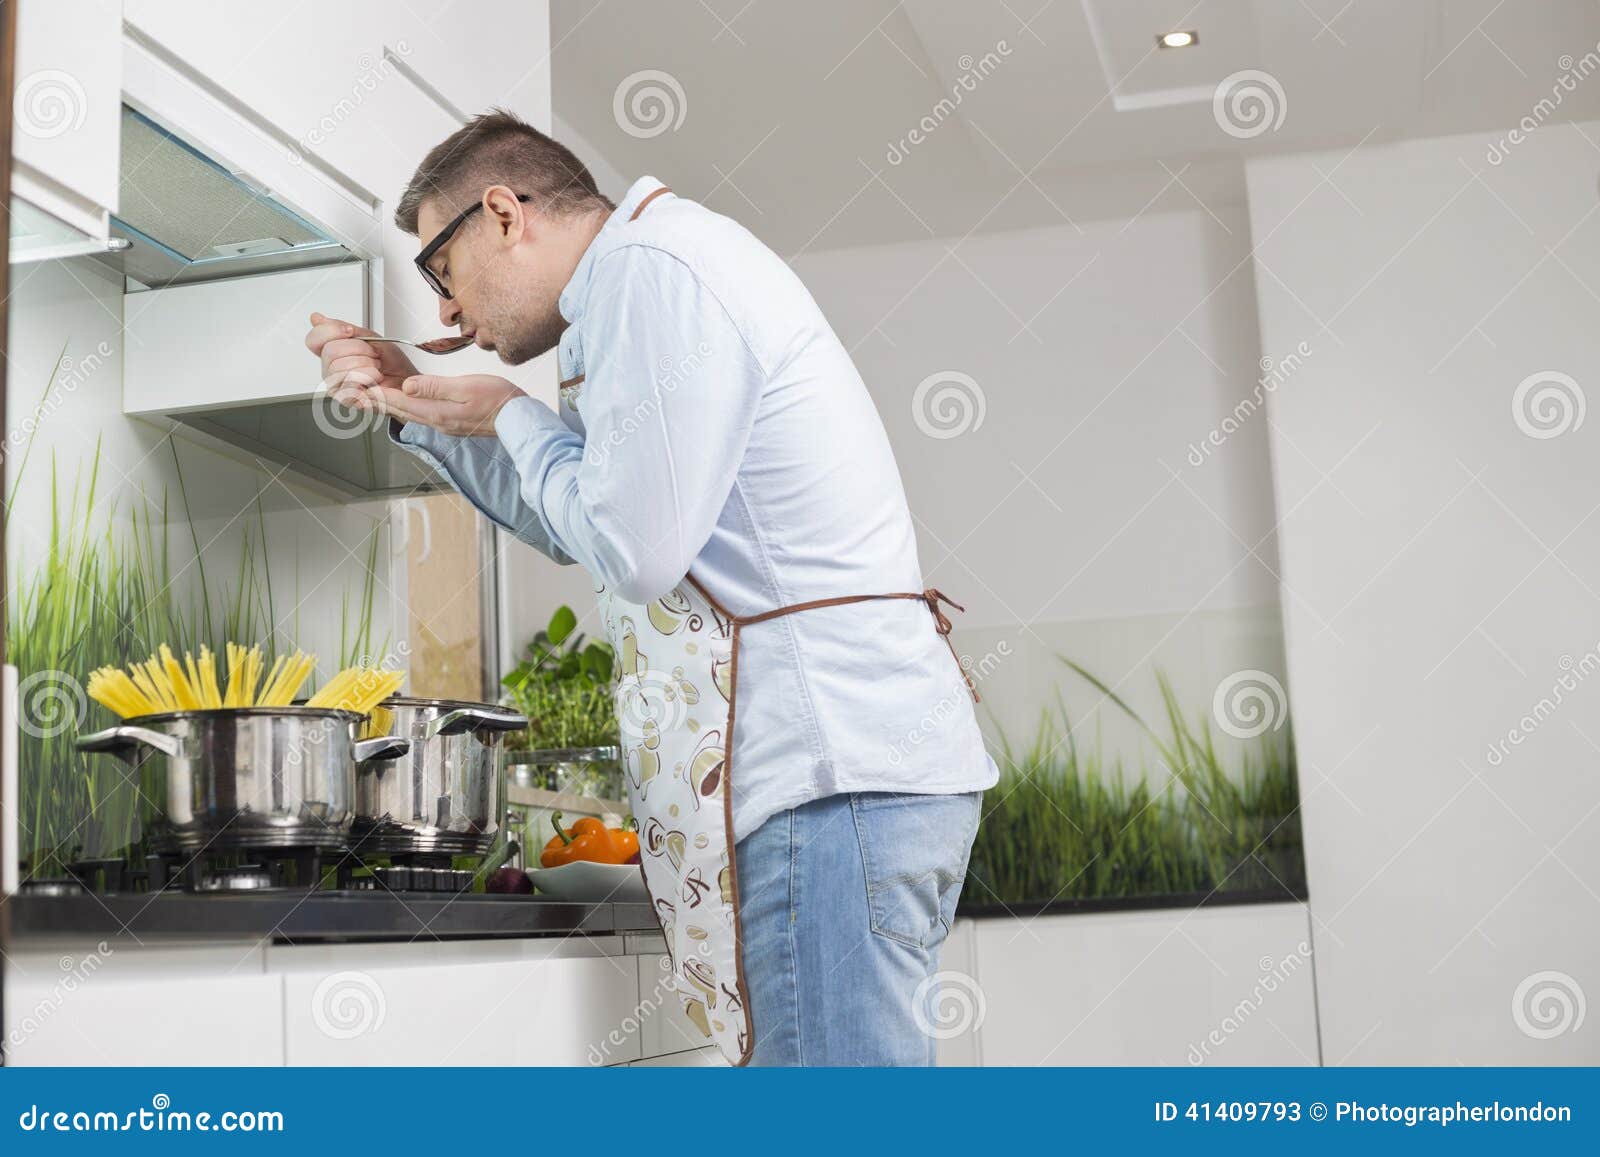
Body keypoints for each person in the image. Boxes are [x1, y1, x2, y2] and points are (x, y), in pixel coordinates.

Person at [305, 109, 997, 1066]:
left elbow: (632, 552)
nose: (448, 315)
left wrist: (512, 412)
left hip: (823, 772)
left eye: (439, 269)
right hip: (845, 774)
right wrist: (418, 406)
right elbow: (585, 521)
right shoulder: (643, 279)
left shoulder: (652, 274)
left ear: (503, 212)